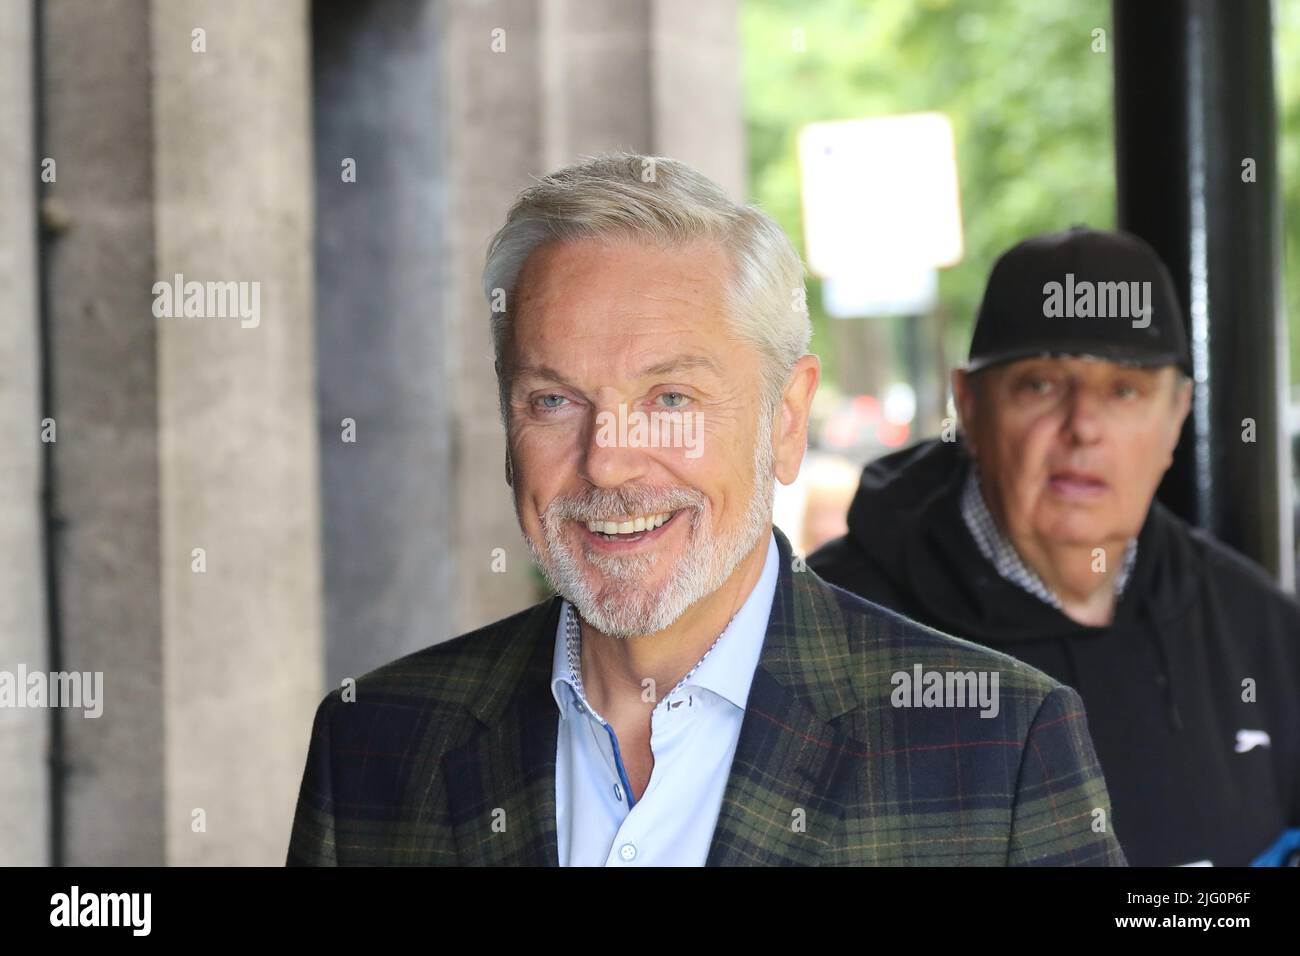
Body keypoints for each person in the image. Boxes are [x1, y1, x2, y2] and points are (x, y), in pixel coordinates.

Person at [286, 157, 1125, 866]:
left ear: (785, 420)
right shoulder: (374, 743)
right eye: (553, 401)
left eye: (671, 398)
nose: (608, 459)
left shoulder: (997, 751)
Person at [810, 226, 1300, 866]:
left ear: (1177, 413)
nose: (1083, 428)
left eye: (1124, 390)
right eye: (1040, 384)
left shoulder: (1255, 625)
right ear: (970, 407)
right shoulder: (820, 635)